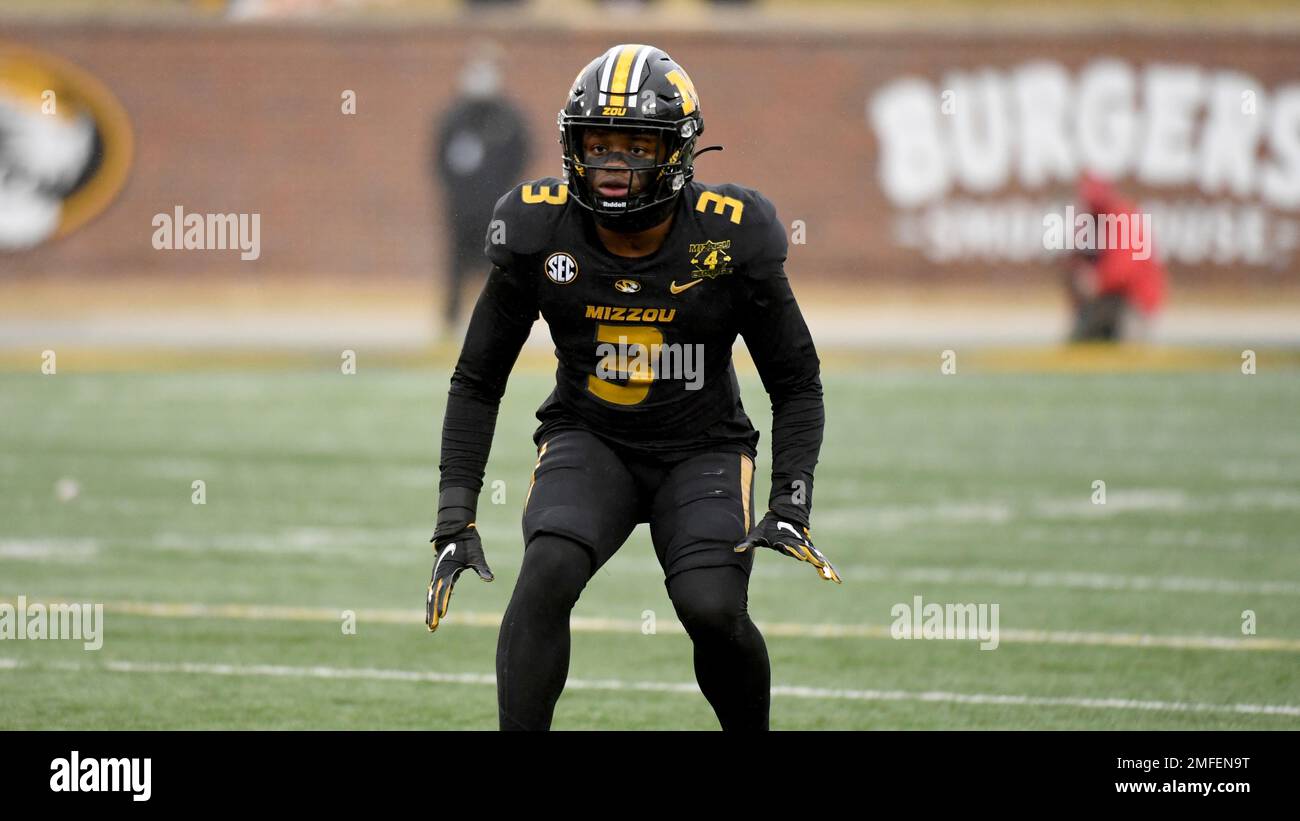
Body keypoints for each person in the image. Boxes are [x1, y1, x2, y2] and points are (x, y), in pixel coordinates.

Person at [424, 44, 838, 731]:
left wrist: (791, 496)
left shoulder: (731, 237)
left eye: (636, 146)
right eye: (598, 143)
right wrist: (453, 513)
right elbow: (477, 379)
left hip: (702, 446)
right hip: (592, 438)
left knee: (712, 607)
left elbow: (796, 380)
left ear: (678, 151)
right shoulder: (536, 227)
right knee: (547, 569)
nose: (613, 166)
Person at [433, 43, 529, 337]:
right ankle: (451, 317)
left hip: (496, 204)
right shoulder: (454, 116)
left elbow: (521, 154)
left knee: (497, 262)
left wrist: (504, 191)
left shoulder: (508, 117)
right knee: (457, 260)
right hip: (461, 205)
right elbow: (439, 158)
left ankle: (496, 319)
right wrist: (456, 192)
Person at [1065, 172, 1167, 342]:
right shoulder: (1089, 220)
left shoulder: (1121, 216)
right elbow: (1077, 262)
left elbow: (1124, 266)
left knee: (1127, 348)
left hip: (1133, 303)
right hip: (1104, 302)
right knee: (1080, 344)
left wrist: (1097, 280)